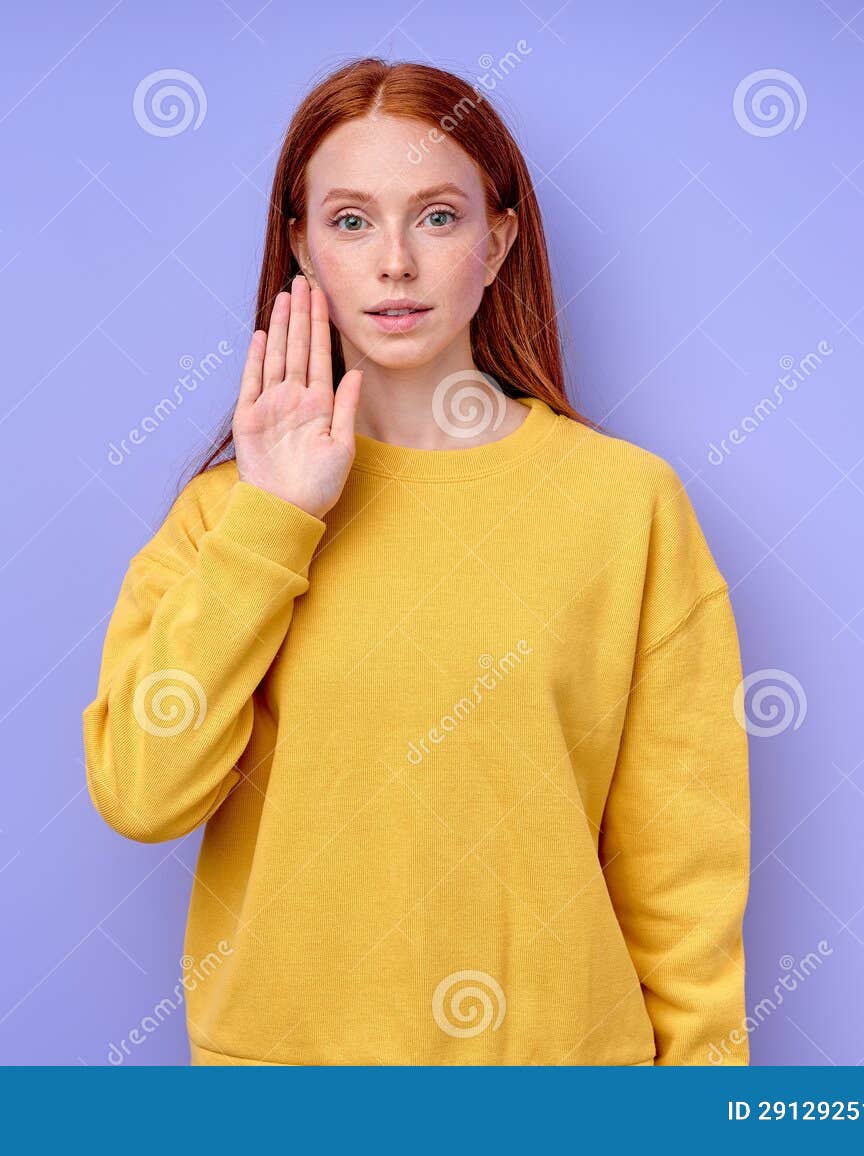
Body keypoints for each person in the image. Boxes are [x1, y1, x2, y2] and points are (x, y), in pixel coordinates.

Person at [82, 57, 750, 1066]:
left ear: (498, 240)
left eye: (437, 217)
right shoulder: (227, 518)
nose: (394, 262)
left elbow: (685, 870)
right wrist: (275, 519)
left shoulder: (627, 505)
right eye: (351, 221)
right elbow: (142, 794)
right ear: (301, 248)